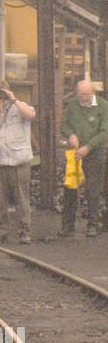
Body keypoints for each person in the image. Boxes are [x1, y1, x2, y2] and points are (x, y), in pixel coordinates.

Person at [0, 82, 36, 243]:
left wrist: (14, 99)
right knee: (0, 201)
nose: (0, 96)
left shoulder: (20, 106)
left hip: (20, 161)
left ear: (9, 91)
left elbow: (31, 115)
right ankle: (0, 233)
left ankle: (24, 232)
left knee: (22, 200)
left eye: (2, 92)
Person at [59, 79, 108, 236]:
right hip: (75, 152)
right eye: (80, 95)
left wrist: (88, 147)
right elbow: (64, 124)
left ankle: (93, 223)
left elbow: (105, 132)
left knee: (93, 189)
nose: (83, 98)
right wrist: (70, 135)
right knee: (70, 187)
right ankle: (68, 225)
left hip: (95, 152)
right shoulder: (72, 104)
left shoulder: (102, 106)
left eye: (86, 95)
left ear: (93, 92)